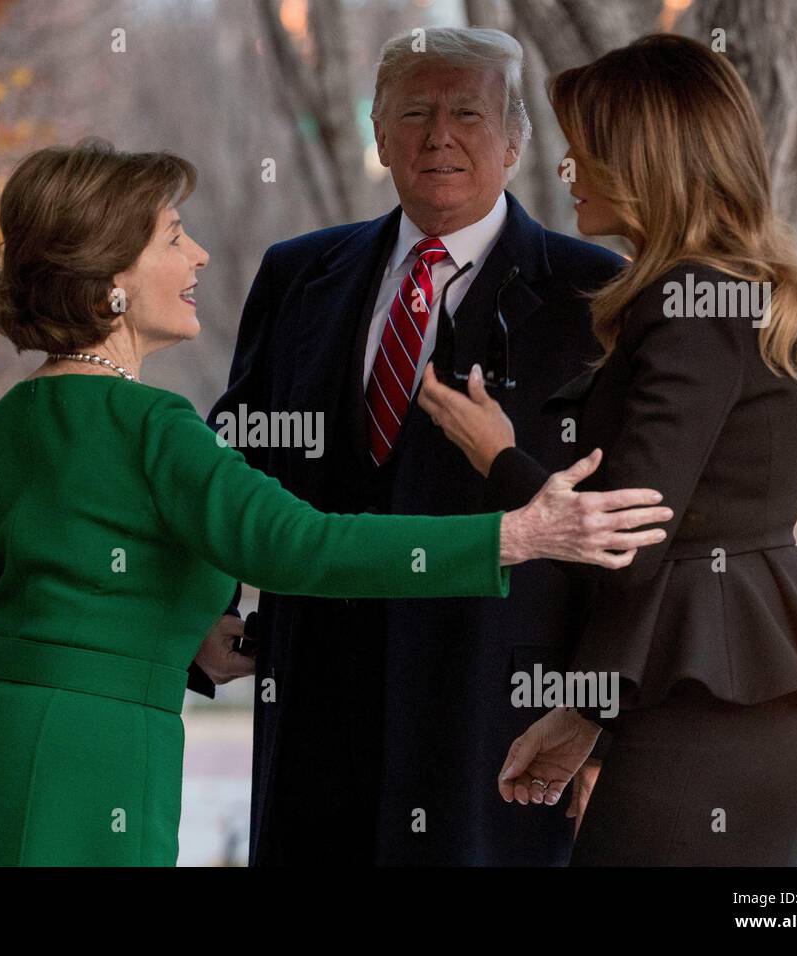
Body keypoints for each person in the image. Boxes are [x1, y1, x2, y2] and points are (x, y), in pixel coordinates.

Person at [0, 139, 673, 866]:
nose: (200, 257)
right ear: (110, 278)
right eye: (174, 238)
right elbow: (306, 545)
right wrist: (512, 536)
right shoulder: (155, 430)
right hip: (95, 764)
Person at [418, 34, 797, 866]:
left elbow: (629, 538)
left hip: (705, 732)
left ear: (647, 161)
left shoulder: (687, 302)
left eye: (587, 150)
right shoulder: (749, 295)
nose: (569, 169)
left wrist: (499, 458)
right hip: (754, 715)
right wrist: (584, 714)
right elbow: (674, 536)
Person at [208, 26, 625, 864]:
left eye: (467, 112)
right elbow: (232, 461)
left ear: (514, 140)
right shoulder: (297, 275)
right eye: (414, 112)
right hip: (317, 708)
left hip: (500, 722)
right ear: (377, 132)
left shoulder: (597, 296)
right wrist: (212, 606)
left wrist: (601, 720)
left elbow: (627, 522)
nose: (439, 135)